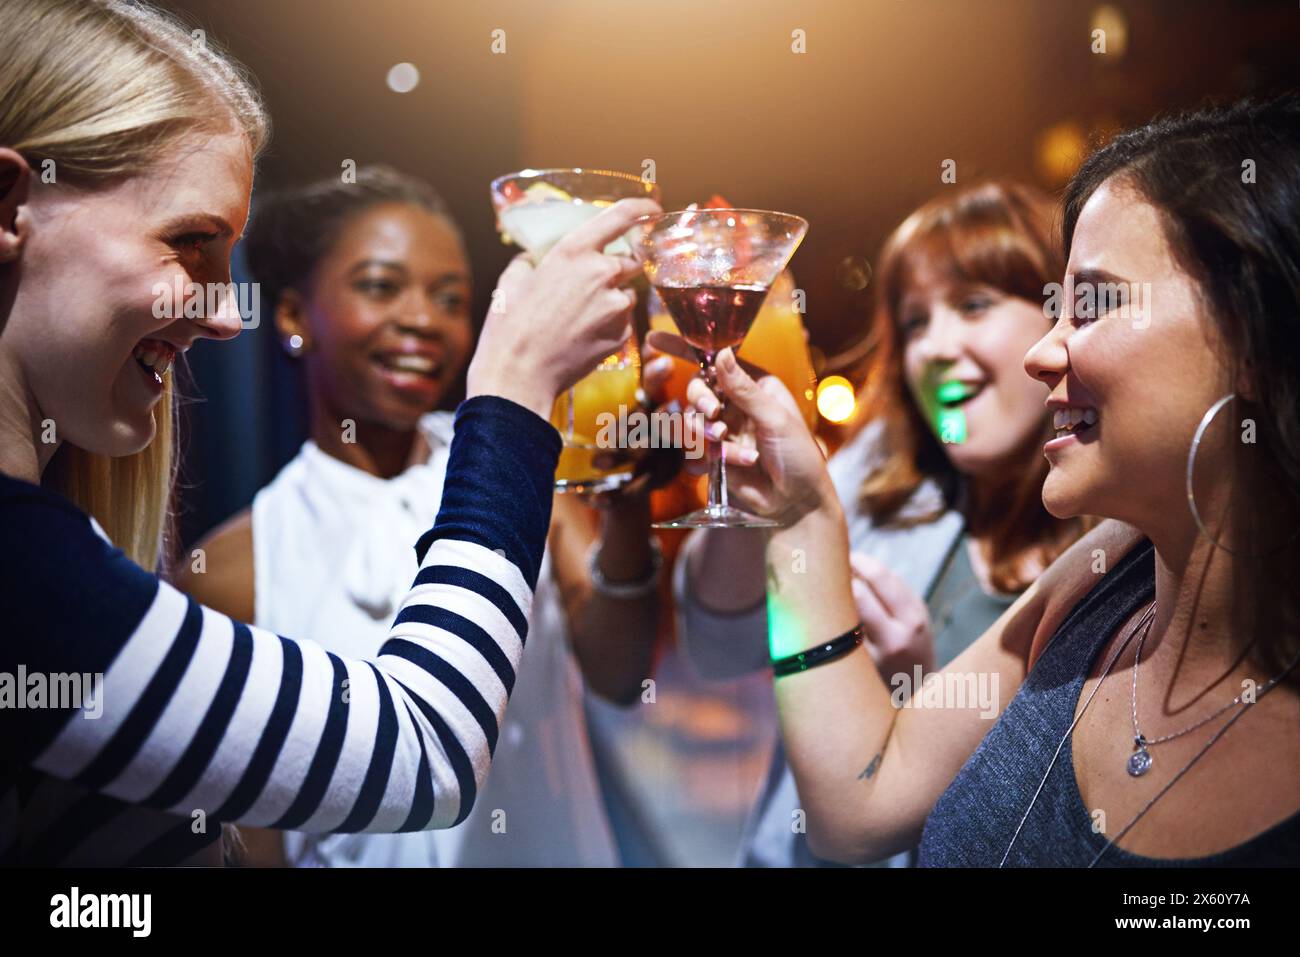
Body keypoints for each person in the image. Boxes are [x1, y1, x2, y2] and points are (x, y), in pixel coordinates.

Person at [0, 0, 658, 865]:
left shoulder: (64, 545)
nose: (223, 316)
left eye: (452, 297)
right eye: (188, 242)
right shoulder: (26, 567)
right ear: (11, 208)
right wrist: (514, 389)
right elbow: (423, 748)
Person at [670, 95, 1300, 866]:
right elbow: (859, 803)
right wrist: (801, 513)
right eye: (912, 321)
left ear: (1253, 332)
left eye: (1090, 305)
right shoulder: (1096, 575)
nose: (1046, 352)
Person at [180, 167, 668, 866]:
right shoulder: (235, 569)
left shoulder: (524, 477)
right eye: (381, 286)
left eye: (450, 298)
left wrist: (626, 509)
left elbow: (620, 675)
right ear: (292, 317)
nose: (422, 320)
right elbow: (253, 833)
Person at [671, 181, 1090, 866]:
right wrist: (748, 505)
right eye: (916, 321)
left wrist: (908, 706)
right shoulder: (876, 476)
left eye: (974, 304)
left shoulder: (1123, 546)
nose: (937, 347)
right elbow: (719, 650)